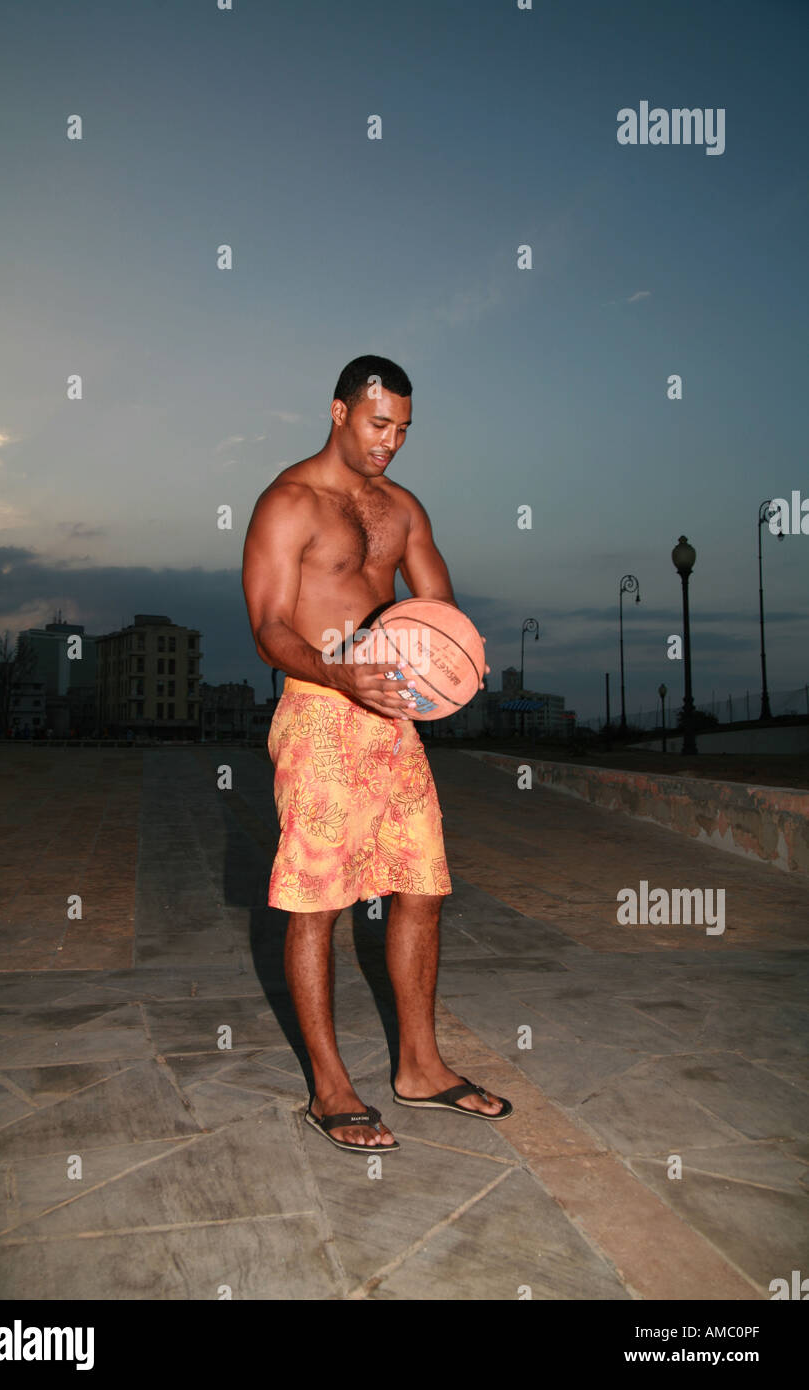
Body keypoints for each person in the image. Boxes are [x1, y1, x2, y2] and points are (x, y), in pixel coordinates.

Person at [242, 355, 512, 1153]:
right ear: (337, 411)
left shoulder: (403, 509)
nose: (391, 441)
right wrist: (337, 669)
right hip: (320, 711)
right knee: (317, 903)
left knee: (422, 889)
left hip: (395, 723)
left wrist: (451, 658)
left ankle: (420, 1068)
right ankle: (330, 1088)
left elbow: (439, 605)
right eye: (377, 424)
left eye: (402, 428)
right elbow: (267, 626)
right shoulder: (287, 503)